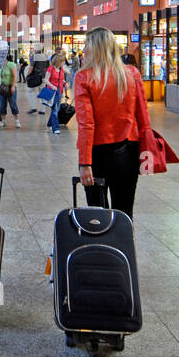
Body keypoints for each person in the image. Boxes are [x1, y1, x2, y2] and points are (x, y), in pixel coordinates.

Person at [74, 29, 153, 218]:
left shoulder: (84, 77)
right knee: (124, 212)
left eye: (87, 45)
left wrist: (85, 163)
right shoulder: (132, 74)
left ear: (96, 49)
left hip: (97, 153)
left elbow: (86, 124)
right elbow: (143, 118)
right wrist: (146, 153)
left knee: (98, 215)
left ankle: (103, 247)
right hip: (129, 151)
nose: (84, 50)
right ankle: (124, 247)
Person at [43, 53, 67, 134]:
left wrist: (64, 82)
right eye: (62, 61)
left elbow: (60, 79)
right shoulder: (51, 69)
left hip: (59, 91)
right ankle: (55, 128)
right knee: (55, 109)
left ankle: (50, 123)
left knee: (56, 109)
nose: (64, 63)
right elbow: (46, 80)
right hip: (52, 91)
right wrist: (52, 86)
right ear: (58, 61)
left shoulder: (61, 69)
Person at [0, 53, 21, 128]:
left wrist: (13, 86)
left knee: (13, 104)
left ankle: (17, 120)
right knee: (2, 105)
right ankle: (3, 121)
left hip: (10, 87)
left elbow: (15, 76)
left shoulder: (11, 64)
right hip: (2, 88)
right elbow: (0, 76)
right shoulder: (0, 66)